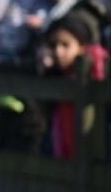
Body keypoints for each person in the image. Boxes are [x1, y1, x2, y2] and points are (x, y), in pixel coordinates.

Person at [41, 15, 108, 159]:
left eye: (65, 45)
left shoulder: (102, 71)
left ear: (82, 46)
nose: (58, 52)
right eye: (53, 45)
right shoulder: (54, 77)